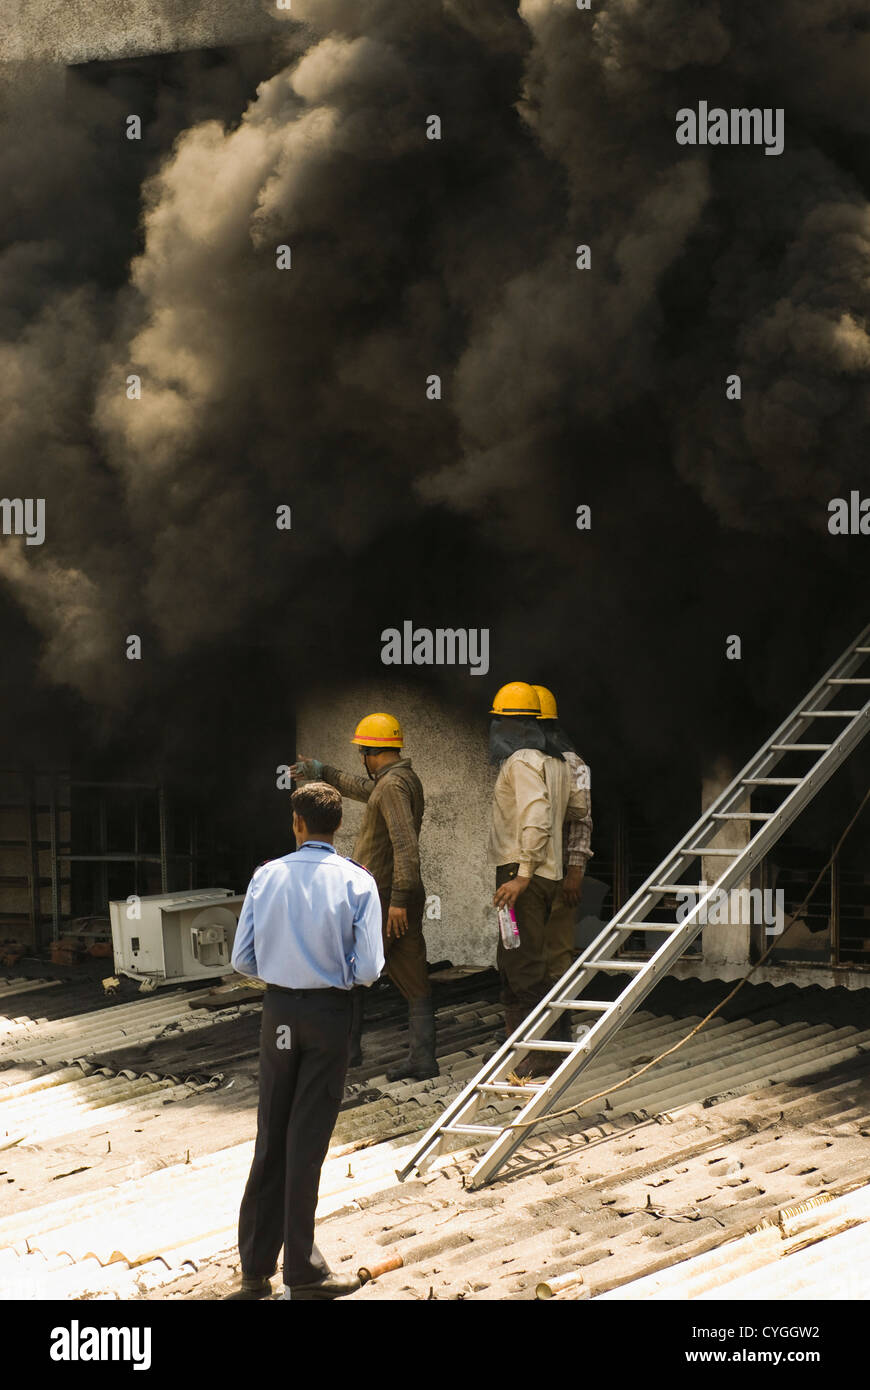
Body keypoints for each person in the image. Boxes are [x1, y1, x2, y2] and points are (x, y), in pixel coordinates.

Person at [226, 781, 383, 1302]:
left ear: (297, 823)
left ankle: (254, 1273)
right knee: (306, 1141)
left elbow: (242, 961)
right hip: (328, 1014)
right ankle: (303, 1272)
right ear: (339, 826)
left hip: (279, 1015)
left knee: (271, 1133)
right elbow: (370, 969)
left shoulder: (265, 876)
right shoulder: (358, 883)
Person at [292, 712, 437, 1082]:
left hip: (386, 897)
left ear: (371, 752)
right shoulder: (401, 780)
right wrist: (322, 771)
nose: (362, 760)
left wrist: (399, 900)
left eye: (363, 753)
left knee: (350, 972)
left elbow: (405, 844)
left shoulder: (391, 787)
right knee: (414, 977)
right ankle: (423, 1058)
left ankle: (347, 1051)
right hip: (396, 895)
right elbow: (359, 788)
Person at [488, 682, 591, 1078]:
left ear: (512, 727)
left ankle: (538, 1054)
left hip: (522, 872)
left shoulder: (521, 762)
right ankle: (528, 1050)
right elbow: (579, 807)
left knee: (523, 965)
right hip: (549, 872)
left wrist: (523, 873)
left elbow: (535, 814)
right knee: (533, 961)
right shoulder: (560, 763)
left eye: (500, 723)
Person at [532, 684, 593, 974]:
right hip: (527, 874)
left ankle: (557, 1015)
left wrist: (575, 871)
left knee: (557, 952)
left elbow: (582, 820)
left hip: (557, 873)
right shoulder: (522, 762)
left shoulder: (574, 765)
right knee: (526, 952)